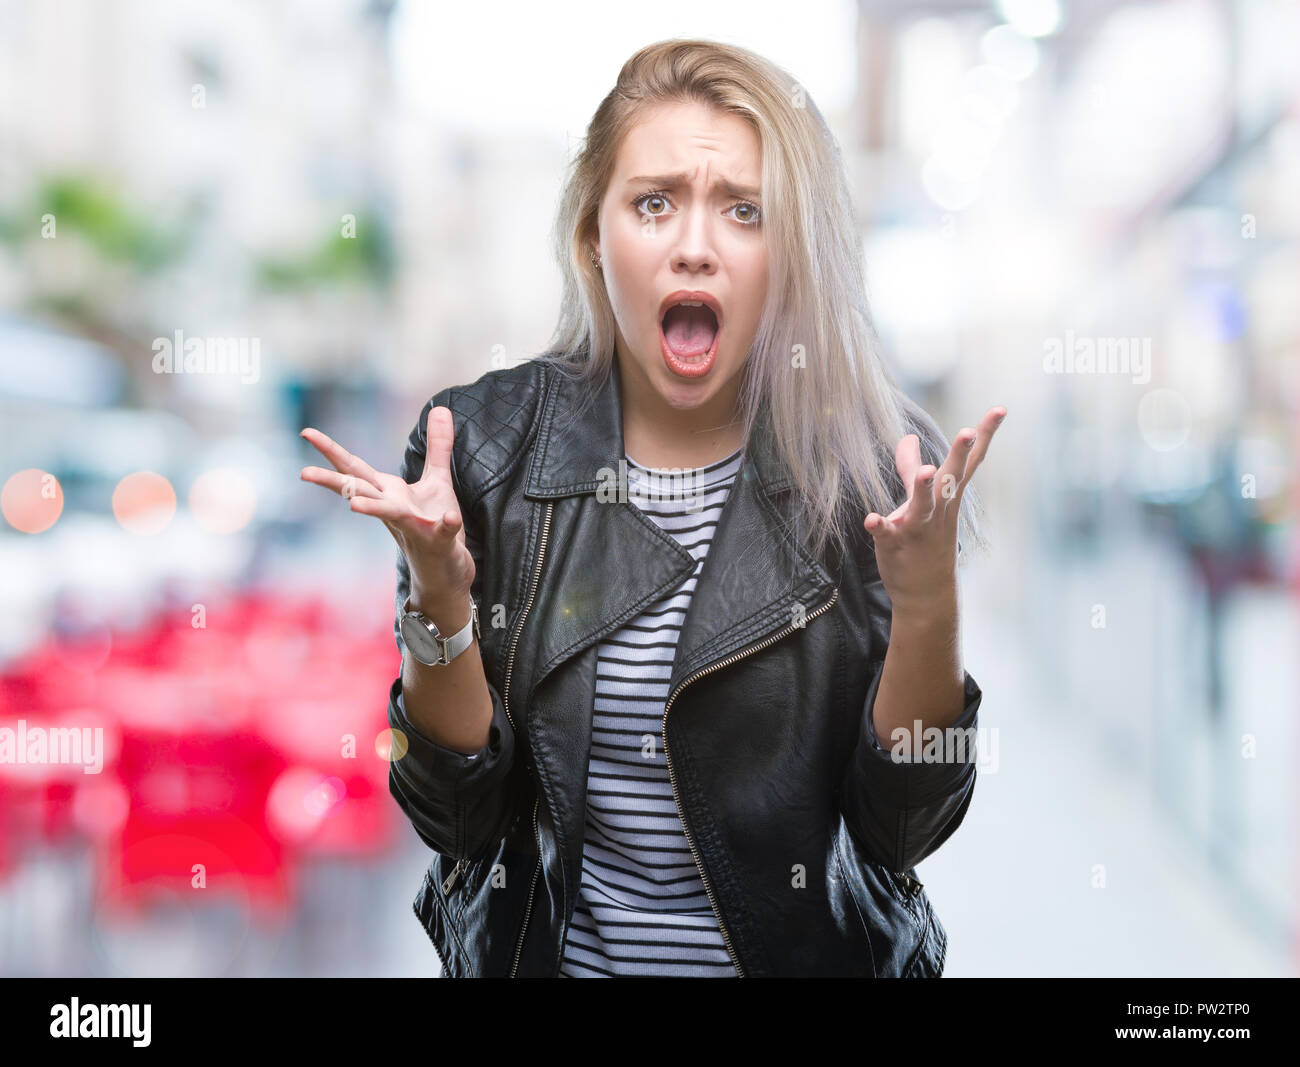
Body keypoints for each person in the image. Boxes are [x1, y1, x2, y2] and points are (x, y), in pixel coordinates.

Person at [299, 38, 1004, 977]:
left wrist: (927, 608)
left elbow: (902, 829)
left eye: (744, 210)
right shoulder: (479, 451)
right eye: (654, 202)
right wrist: (442, 602)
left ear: (789, 250)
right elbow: (457, 815)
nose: (696, 245)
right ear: (595, 236)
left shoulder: (870, 464)